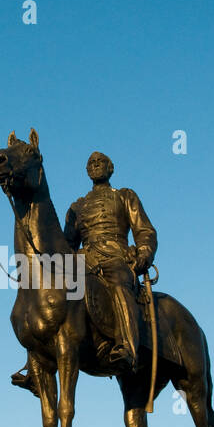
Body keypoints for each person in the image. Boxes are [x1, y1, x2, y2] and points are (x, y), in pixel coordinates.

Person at [63, 151, 157, 372]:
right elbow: (67, 244)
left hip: (116, 255)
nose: (95, 165)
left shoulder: (124, 196)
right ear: (87, 171)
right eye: (91, 163)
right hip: (83, 259)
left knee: (119, 284)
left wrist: (144, 251)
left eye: (100, 162)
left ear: (110, 168)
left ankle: (127, 347)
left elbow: (144, 230)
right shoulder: (78, 206)